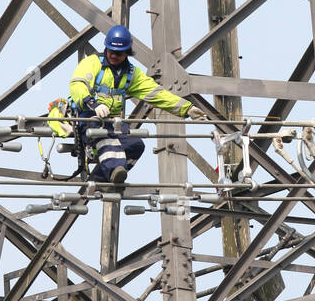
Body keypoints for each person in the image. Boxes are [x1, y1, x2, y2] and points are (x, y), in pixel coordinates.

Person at [48, 24, 205, 184]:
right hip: (88, 118)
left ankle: (102, 181)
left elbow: (157, 94)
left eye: (118, 53)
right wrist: (93, 104)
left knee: (135, 145)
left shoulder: (131, 74)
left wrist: (187, 108)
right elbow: (78, 85)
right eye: (111, 51)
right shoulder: (93, 63)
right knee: (104, 137)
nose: (114, 56)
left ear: (127, 53)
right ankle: (113, 171)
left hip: (112, 122)